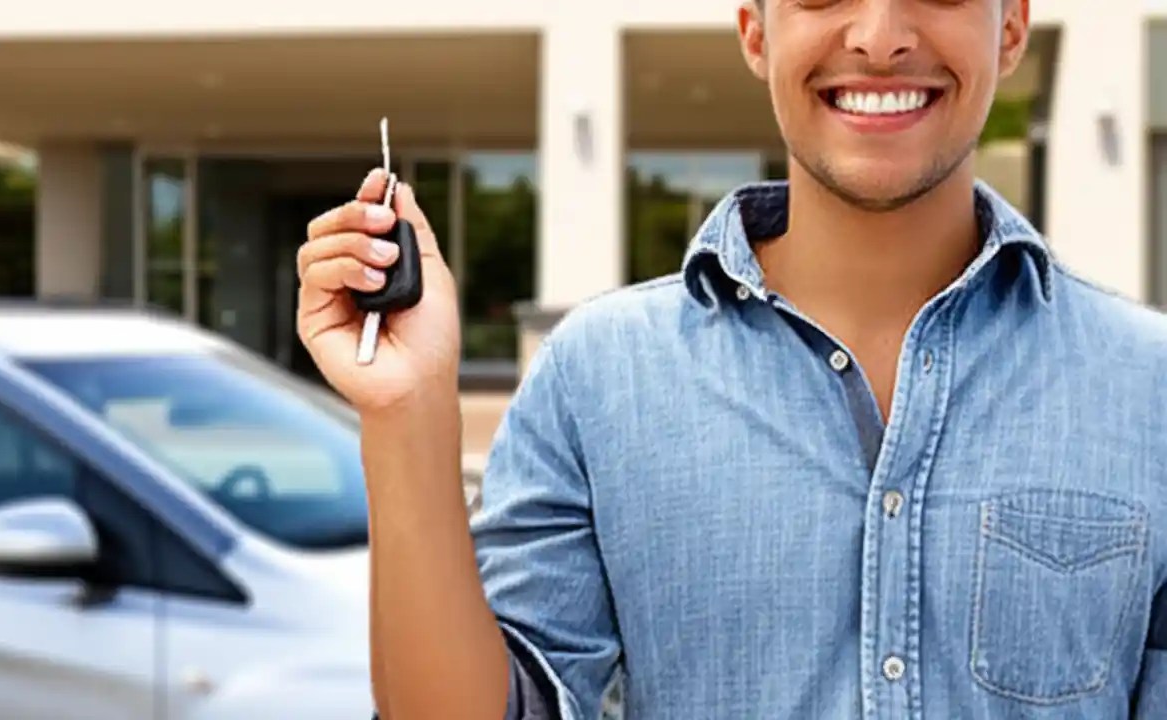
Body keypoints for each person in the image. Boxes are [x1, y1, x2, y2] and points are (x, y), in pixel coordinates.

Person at [296, 0, 1167, 717]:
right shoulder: (599, 378)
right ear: (755, 29)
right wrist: (406, 416)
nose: (879, 35)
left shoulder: (1148, 387)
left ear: (1011, 26)